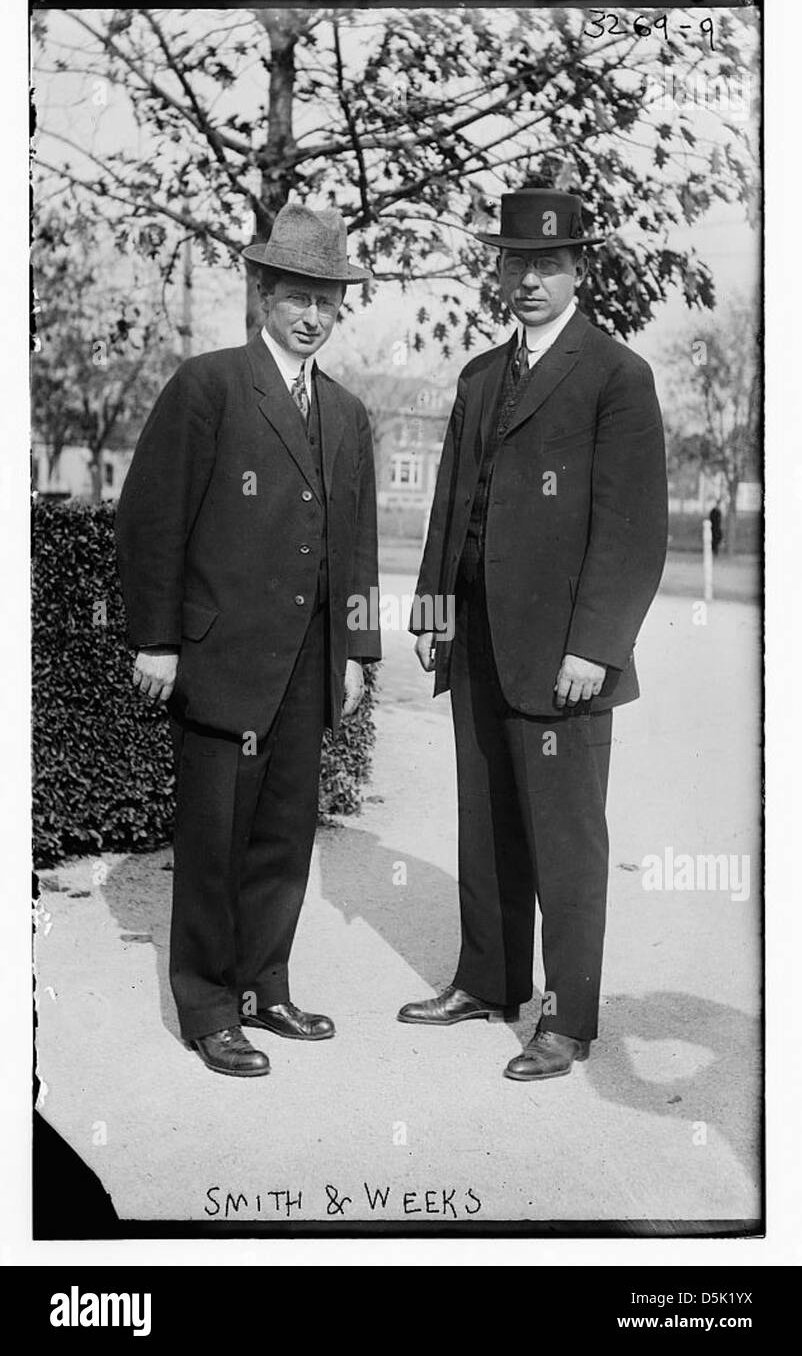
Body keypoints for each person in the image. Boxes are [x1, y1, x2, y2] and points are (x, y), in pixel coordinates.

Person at [399, 188, 668, 1081]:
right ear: (500, 270)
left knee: (565, 838)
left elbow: (632, 531)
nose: (529, 279)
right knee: (488, 820)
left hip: (564, 657)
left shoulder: (616, 376)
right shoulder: (480, 377)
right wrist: (435, 614)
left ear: (579, 270)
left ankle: (570, 1017)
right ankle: (487, 980)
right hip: (474, 638)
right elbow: (449, 509)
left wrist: (596, 645)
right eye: (516, 262)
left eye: (547, 264)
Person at [116, 204, 380, 1078]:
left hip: (309, 666)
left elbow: (361, 542)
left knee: (282, 833)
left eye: (327, 301)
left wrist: (359, 657)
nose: (311, 315)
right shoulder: (210, 384)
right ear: (263, 292)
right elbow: (151, 519)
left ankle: (269, 988)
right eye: (296, 295)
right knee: (215, 834)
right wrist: (157, 640)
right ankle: (207, 1006)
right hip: (222, 656)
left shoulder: (345, 414)